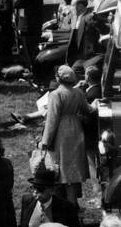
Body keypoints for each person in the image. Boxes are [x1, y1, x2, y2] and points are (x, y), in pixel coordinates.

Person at [40, 65, 94, 204]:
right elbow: (88, 109)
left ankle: (69, 207)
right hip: (76, 129)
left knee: (64, 171)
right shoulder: (78, 93)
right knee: (73, 170)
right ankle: (73, 203)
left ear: (58, 78)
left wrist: (45, 141)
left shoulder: (56, 94)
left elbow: (52, 120)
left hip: (62, 132)